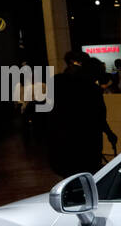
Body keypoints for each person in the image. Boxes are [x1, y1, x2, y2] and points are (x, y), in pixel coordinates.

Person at [48, 49, 117, 177]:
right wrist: (109, 133)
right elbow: (99, 116)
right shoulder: (91, 88)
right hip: (87, 142)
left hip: (62, 142)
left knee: (70, 175)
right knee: (88, 174)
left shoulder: (56, 82)